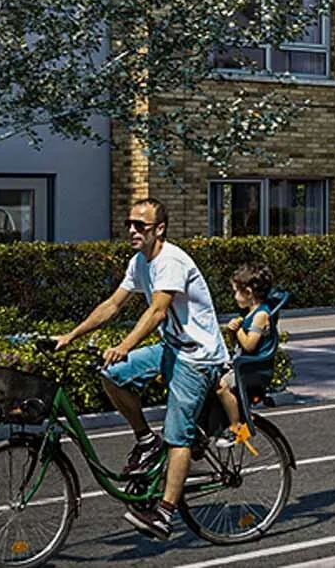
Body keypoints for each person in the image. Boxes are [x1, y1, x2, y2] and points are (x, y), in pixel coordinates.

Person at [53, 197, 229, 540]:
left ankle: (163, 514)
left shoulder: (171, 261)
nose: (132, 231)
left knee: (178, 436)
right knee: (111, 374)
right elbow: (113, 304)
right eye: (129, 225)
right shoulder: (139, 262)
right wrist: (71, 335)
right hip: (171, 348)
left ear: (159, 230)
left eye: (140, 226)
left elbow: (157, 313)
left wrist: (124, 346)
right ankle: (146, 441)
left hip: (197, 357)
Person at [212, 263, 275, 448]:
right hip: (243, 364)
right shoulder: (249, 314)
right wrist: (233, 333)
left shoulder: (261, 315)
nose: (234, 297)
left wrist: (238, 330)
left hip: (252, 370)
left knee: (221, 387)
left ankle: (235, 426)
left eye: (236, 292)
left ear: (248, 292)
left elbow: (248, 345)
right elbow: (238, 346)